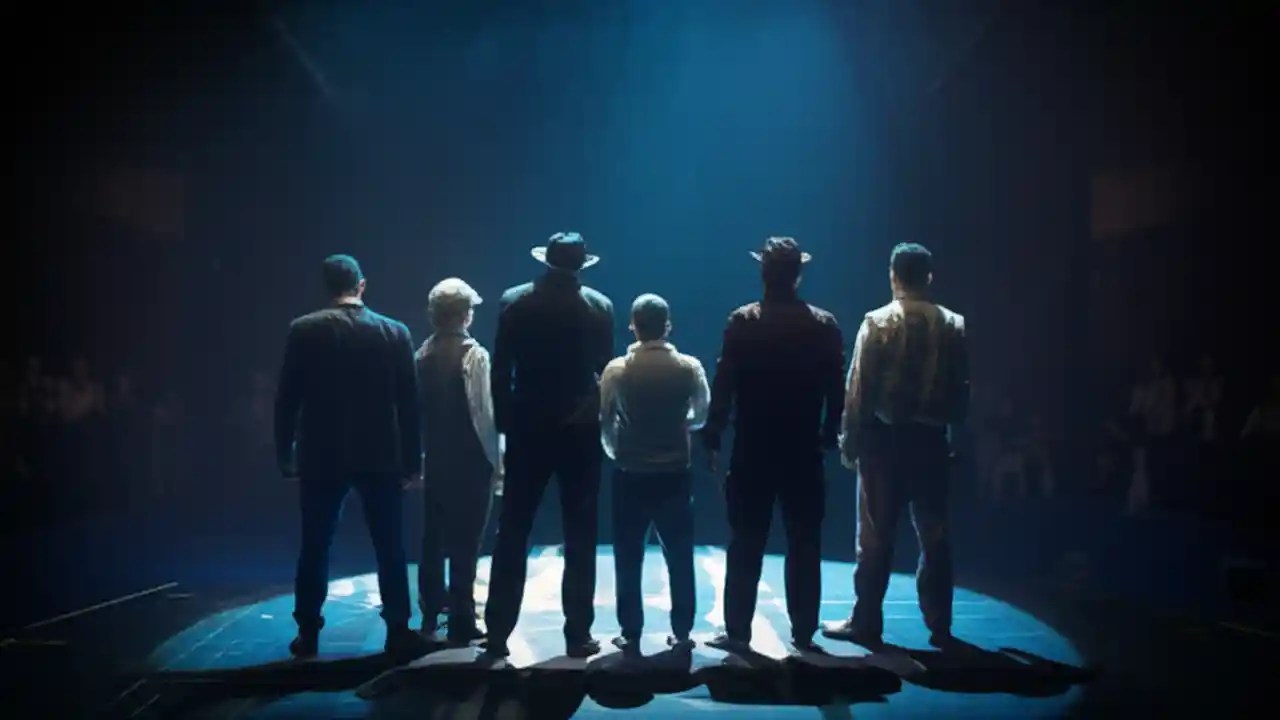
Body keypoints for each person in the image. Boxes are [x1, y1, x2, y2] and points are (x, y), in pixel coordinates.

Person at [274, 254, 428, 659]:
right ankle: (398, 628)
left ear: (327, 287)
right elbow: (409, 405)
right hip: (380, 453)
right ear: (362, 284)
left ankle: (308, 632)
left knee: (315, 544)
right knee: (389, 544)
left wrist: (284, 453)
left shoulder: (304, 331)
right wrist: (413, 461)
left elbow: (287, 399)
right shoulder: (394, 332)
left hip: (322, 454)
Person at [701, 237, 845, 653]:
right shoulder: (823, 324)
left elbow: (725, 384)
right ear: (797, 274)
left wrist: (713, 434)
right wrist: (829, 431)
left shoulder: (743, 321)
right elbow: (835, 388)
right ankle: (803, 631)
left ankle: (738, 631)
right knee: (804, 540)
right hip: (802, 446)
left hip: (753, 445)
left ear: (763, 272)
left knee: (746, 540)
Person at [824, 242, 969, 649]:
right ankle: (940, 623)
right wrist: (954, 439)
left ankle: (867, 619)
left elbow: (859, 388)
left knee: (874, 537)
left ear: (893, 275)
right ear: (929, 276)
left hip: (884, 444)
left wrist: (849, 440)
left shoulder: (878, 322)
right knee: (935, 534)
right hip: (931, 443)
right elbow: (962, 392)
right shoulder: (953, 324)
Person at [484, 232, 615, 660]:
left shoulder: (515, 301)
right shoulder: (599, 306)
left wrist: (507, 425)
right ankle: (578, 634)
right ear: (581, 265)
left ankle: (499, 630)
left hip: (528, 425)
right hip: (579, 430)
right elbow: (603, 374)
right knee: (580, 533)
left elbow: (501, 373)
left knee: (513, 530)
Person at [600, 293, 710, 654]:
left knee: (628, 555)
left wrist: (619, 451)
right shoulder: (689, 367)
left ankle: (631, 630)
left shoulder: (617, 370)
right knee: (679, 555)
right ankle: (681, 630)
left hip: (631, 471)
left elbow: (606, 423)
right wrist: (678, 427)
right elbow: (702, 415)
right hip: (675, 472)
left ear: (633, 325)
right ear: (668, 325)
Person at [415, 277, 502, 646]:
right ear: (465, 314)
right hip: (470, 460)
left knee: (433, 538)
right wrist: (496, 462)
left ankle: (432, 611)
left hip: (436, 458)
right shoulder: (474, 356)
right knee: (466, 542)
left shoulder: (422, 354)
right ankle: (463, 617)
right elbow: (483, 412)